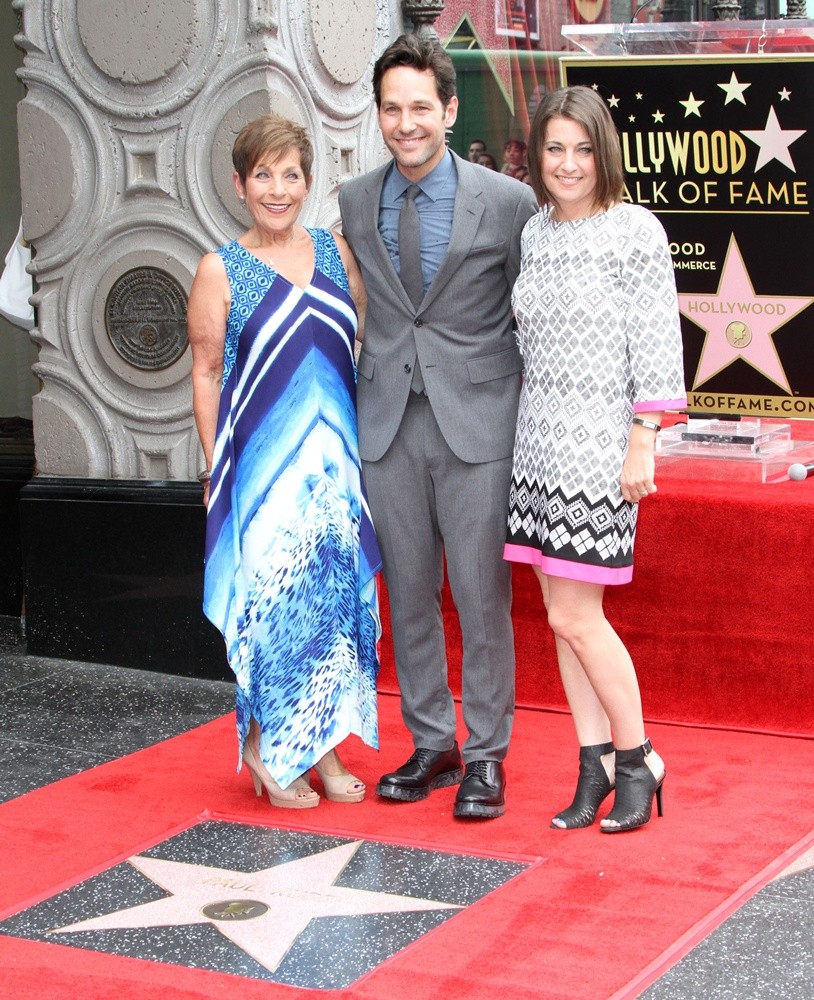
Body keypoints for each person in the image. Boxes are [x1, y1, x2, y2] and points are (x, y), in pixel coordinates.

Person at [339, 34, 537, 819]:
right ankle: (433, 742)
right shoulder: (355, 200)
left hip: (479, 422)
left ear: (449, 111)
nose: (406, 122)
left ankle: (486, 753)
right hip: (386, 419)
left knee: (480, 594)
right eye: (392, 108)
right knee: (408, 592)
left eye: (421, 107)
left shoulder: (510, 201)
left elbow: (537, 315)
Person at [504, 86, 686, 832]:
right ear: (537, 153)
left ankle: (640, 757)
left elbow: (657, 340)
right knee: (558, 615)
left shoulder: (634, 231)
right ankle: (595, 763)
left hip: (600, 450)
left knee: (581, 616)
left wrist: (645, 434)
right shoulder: (536, 233)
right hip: (538, 442)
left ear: (603, 152)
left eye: (583, 148)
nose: (568, 163)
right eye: (555, 148)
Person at [188, 114, 382, 810]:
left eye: (291, 174)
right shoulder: (220, 268)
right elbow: (206, 372)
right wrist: (220, 466)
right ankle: (267, 752)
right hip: (262, 477)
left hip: (335, 471)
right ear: (240, 184)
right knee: (275, 616)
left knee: (330, 613)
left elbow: (359, 346)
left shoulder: (335, 252)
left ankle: (326, 751)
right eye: (263, 174)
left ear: (307, 181)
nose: (278, 188)